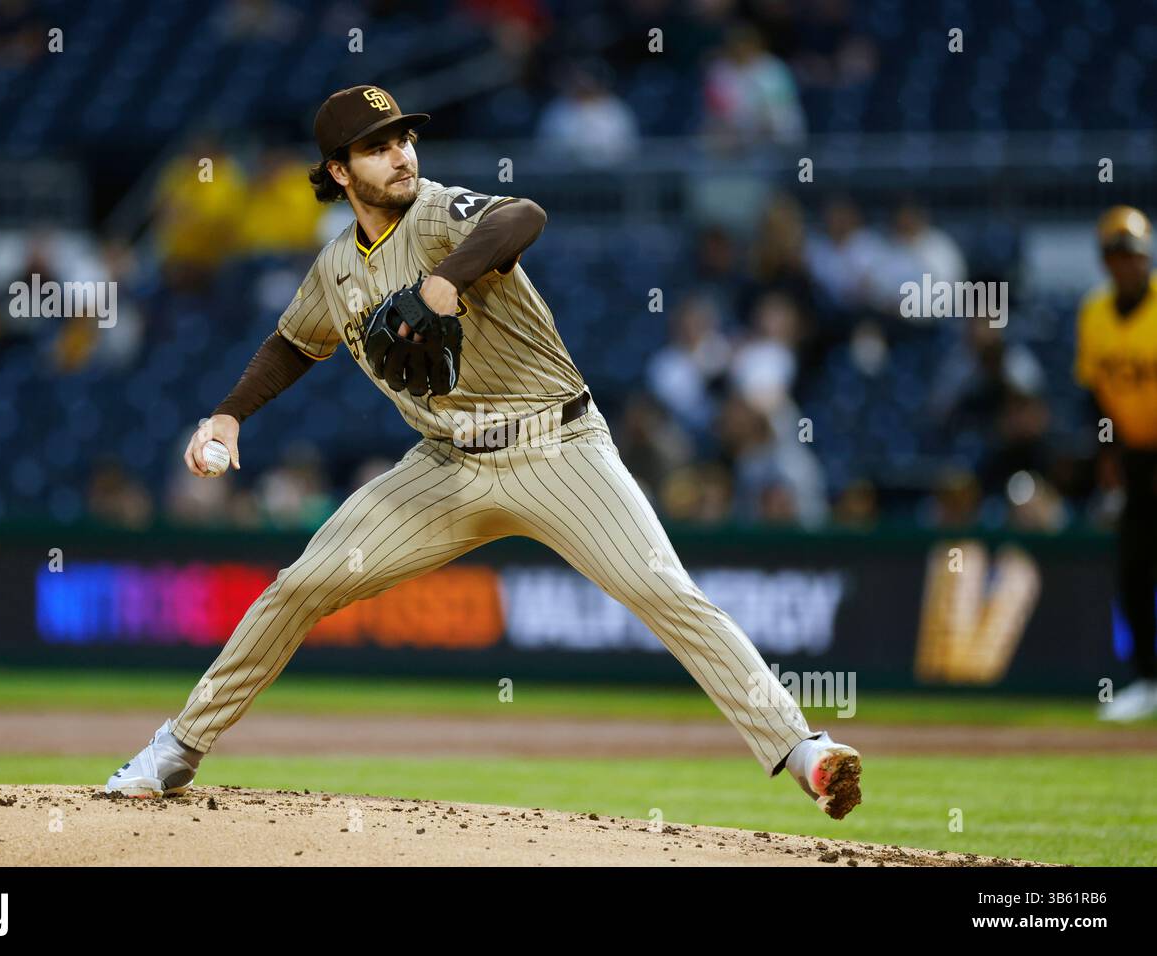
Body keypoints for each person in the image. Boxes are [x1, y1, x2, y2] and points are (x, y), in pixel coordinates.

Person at [106, 85, 862, 819]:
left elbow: (523, 214)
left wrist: (442, 282)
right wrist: (231, 415)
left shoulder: (439, 212)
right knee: (298, 586)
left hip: (557, 446)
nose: (401, 154)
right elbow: (293, 342)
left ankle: (803, 750)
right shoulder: (335, 267)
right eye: (377, 147)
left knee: (665, 591)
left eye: (404, 137)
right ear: (339, 171)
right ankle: (175, 749)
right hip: (444, 465)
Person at [1076, 206, 1157, 721]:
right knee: (1133, 569)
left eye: (1132, 255)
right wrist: (1107, 453)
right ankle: (1149, 681)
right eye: (1115, 255)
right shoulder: (1095, 313)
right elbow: (1092, 392)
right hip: (1134, 457)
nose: (1124, 264)